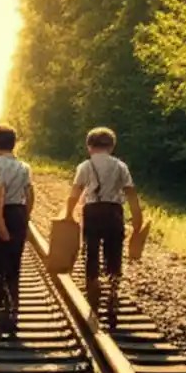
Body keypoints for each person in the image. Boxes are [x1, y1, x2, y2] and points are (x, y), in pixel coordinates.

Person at [62, 126, 143, 330]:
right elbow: (131, 193)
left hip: (92, 211)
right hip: (114, 211)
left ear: (89, 147)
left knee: (91, 249)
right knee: (114, 249)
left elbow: (75, 192)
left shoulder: (85, 166)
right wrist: (137, 219)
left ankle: (93, 284)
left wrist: (69, 214)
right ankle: (113, 287)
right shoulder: (120, 166)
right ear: (112, 146)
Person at [0, 123, 34, 338]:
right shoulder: (24, 166)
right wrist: (26, 215)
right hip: (18, 211)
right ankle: (14, 311)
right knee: (14, 264)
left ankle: (1, 309)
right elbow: (30, 193)